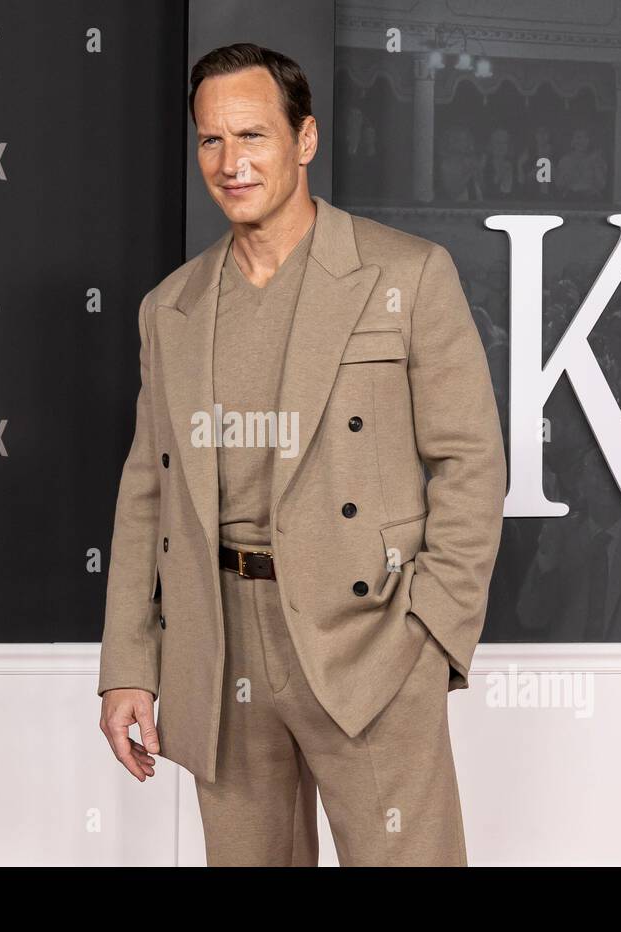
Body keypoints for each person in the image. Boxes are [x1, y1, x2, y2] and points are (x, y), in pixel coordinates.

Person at [96, 43, 507, 866]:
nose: (230, 162)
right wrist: (128, 666)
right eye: (211, 140)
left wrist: (432, 630)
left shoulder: (409, 274)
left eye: (252, 135)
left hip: (370, 633)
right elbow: (149, 490)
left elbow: (472, 462)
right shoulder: (168, 309)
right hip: (219, 645)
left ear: (305, 141)